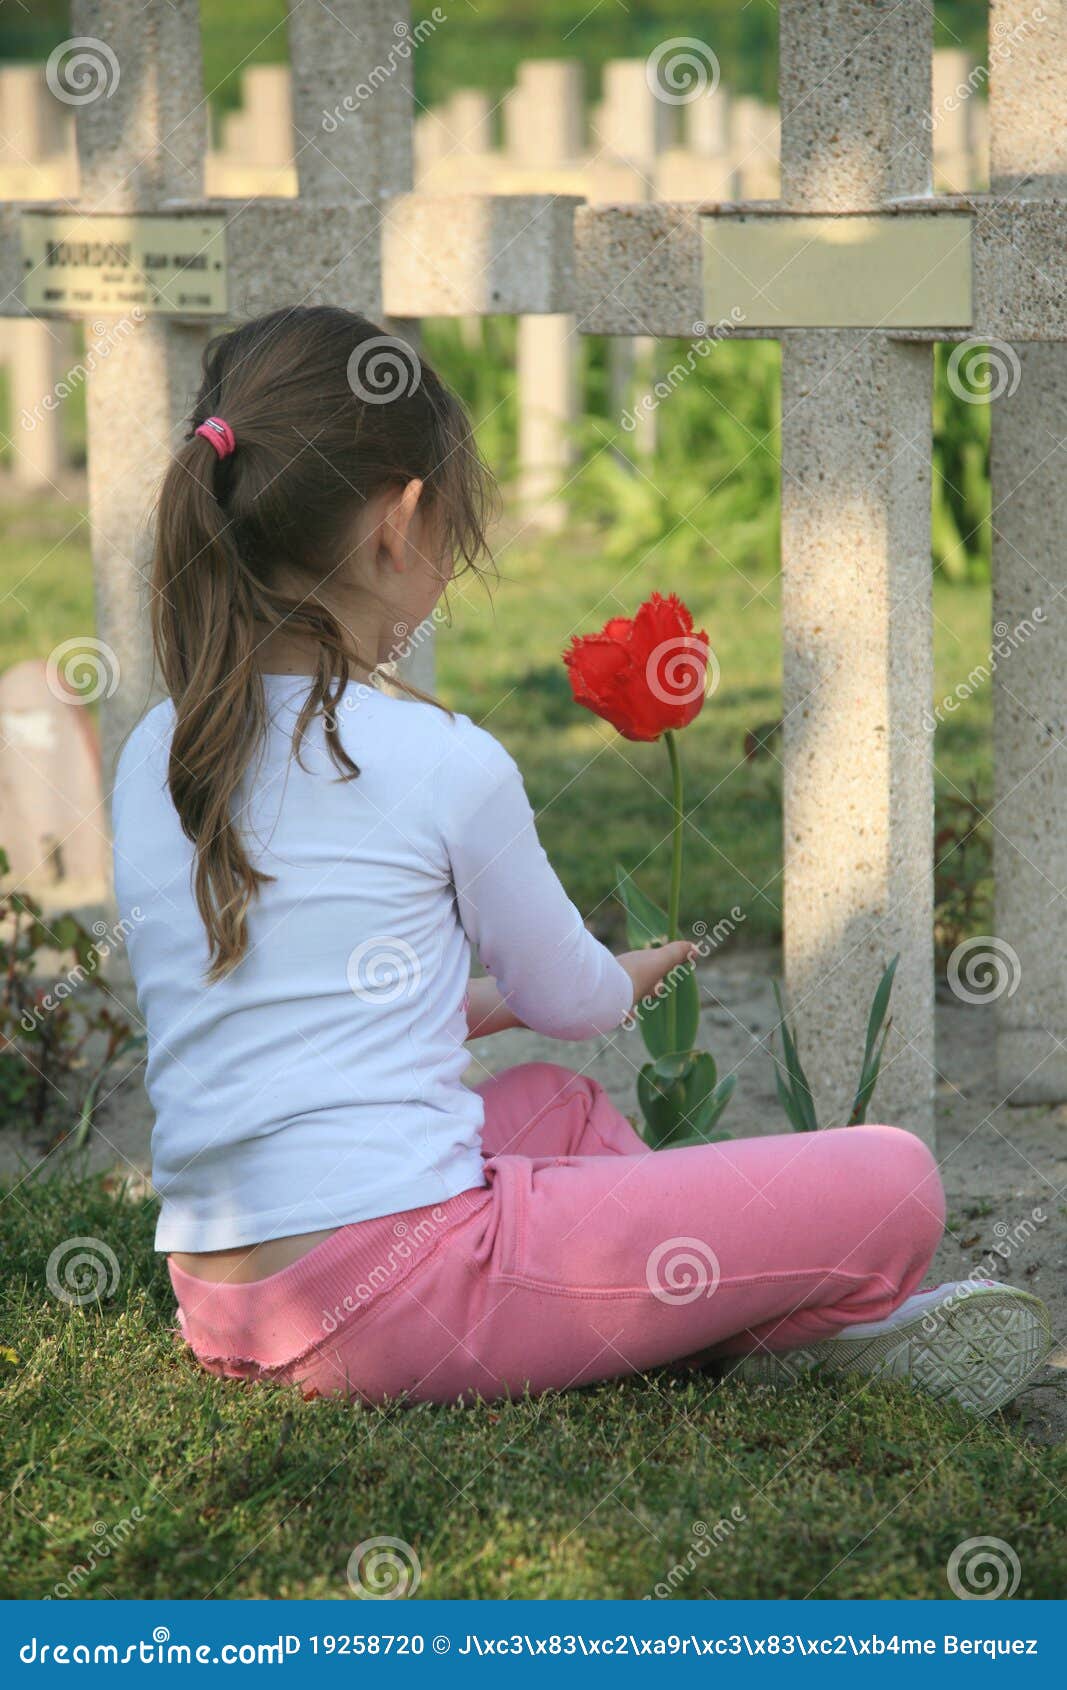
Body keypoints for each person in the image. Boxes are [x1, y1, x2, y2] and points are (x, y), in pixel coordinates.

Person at [112, 306, 1050, 1414]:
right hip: (399, 1299)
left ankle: (714, 1307)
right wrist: (621, 978)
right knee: (896, 1178)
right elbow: (574, 996)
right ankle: (780, 1326)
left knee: (551, 1106)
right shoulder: (438, 758)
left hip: (228, 1301)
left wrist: (480, 1005)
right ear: (397, 523)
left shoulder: (156, 748)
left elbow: (284, 1008)